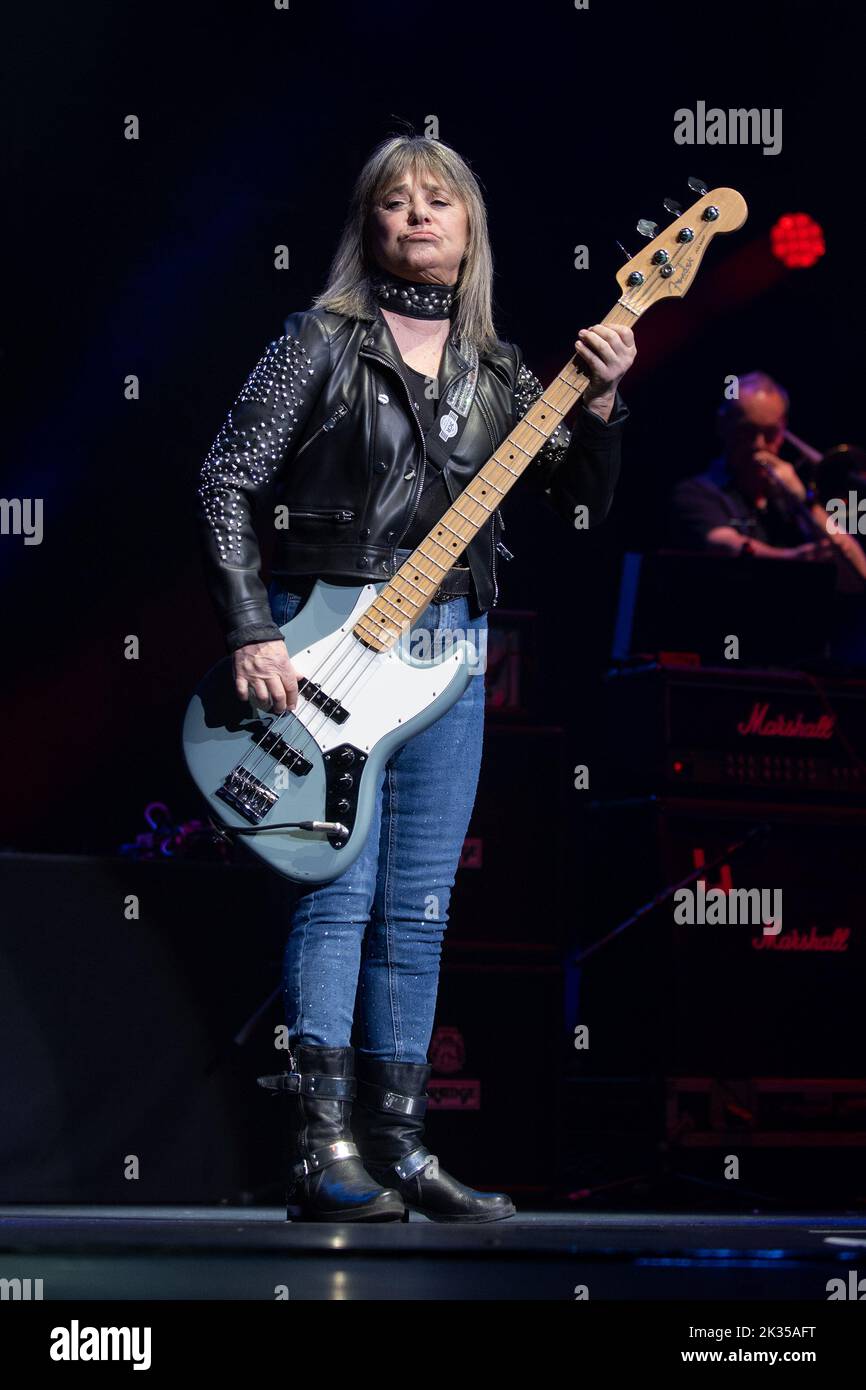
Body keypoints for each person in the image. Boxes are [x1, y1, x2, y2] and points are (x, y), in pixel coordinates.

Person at [195, 134, 634, 1223]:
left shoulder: (499, 371)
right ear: (368, 225)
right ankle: (322, 1147)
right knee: (337, 895)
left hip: (448, 656)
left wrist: (602, 406)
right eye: (393, 203)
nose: (416, 216)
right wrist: (253, 627)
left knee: (420, 910)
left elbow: (580, 503)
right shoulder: (320, 339)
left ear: (470, 226)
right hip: (329, 649)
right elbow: (224, 479)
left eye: (438, 200)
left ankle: (399, 1150)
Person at [669, 372, 866, 587]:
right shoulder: (695, 492)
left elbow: (860, 571)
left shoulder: (793, 499)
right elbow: (725, 546)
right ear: (724, 427)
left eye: (770, 433)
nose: (759, 444)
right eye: (747, 431)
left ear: (783, 430)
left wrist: (806, 503)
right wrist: (795, 560)